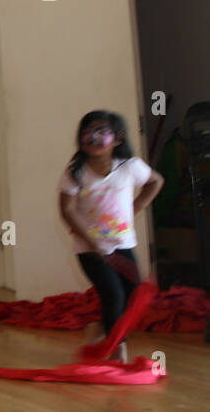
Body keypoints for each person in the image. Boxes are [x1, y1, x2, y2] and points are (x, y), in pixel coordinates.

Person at [57, 110, 163, 363]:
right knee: (113, 295)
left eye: (101, 131)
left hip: (123, 245)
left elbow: (156, 181)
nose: (92, 137)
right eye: (87, 132)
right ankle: (118, 351)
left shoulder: (130, 167)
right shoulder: (76, 173)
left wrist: (135, 208)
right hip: (90, 250)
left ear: (117, 139)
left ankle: (103, 330)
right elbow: (66, 209)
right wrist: (89, 240)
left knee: (133, 292)